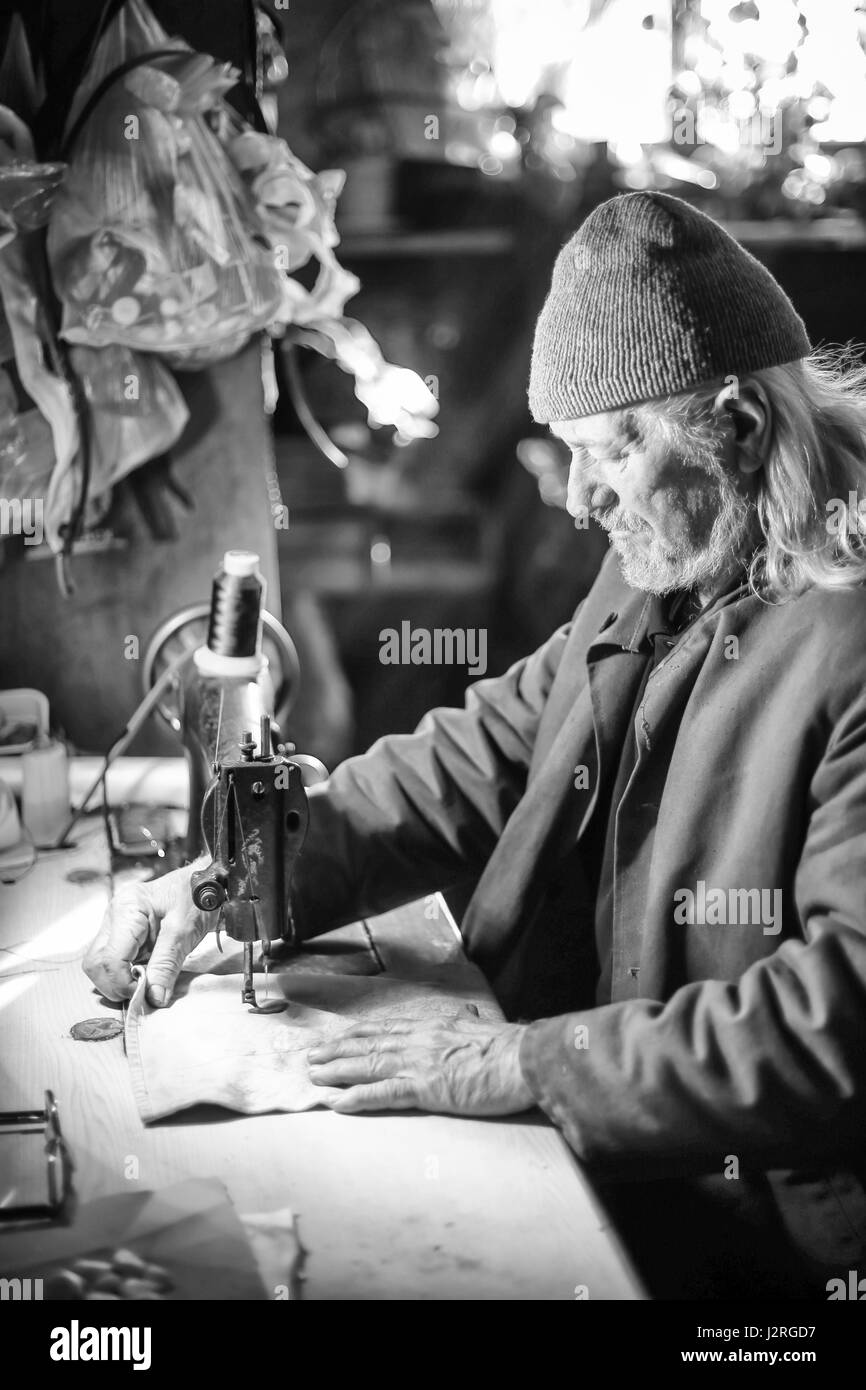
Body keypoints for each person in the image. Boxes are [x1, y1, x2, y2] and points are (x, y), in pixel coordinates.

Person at [85, 192, 866, 1299]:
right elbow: (487, 749)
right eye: (567, 456)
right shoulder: (672, 558)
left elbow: (835, 1018)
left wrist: (522, 1062)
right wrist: (241, 874)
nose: (582, 503)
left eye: (607, 457)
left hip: (766, 1242)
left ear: (735, 427)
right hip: (627, 1160)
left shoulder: (844, 636)